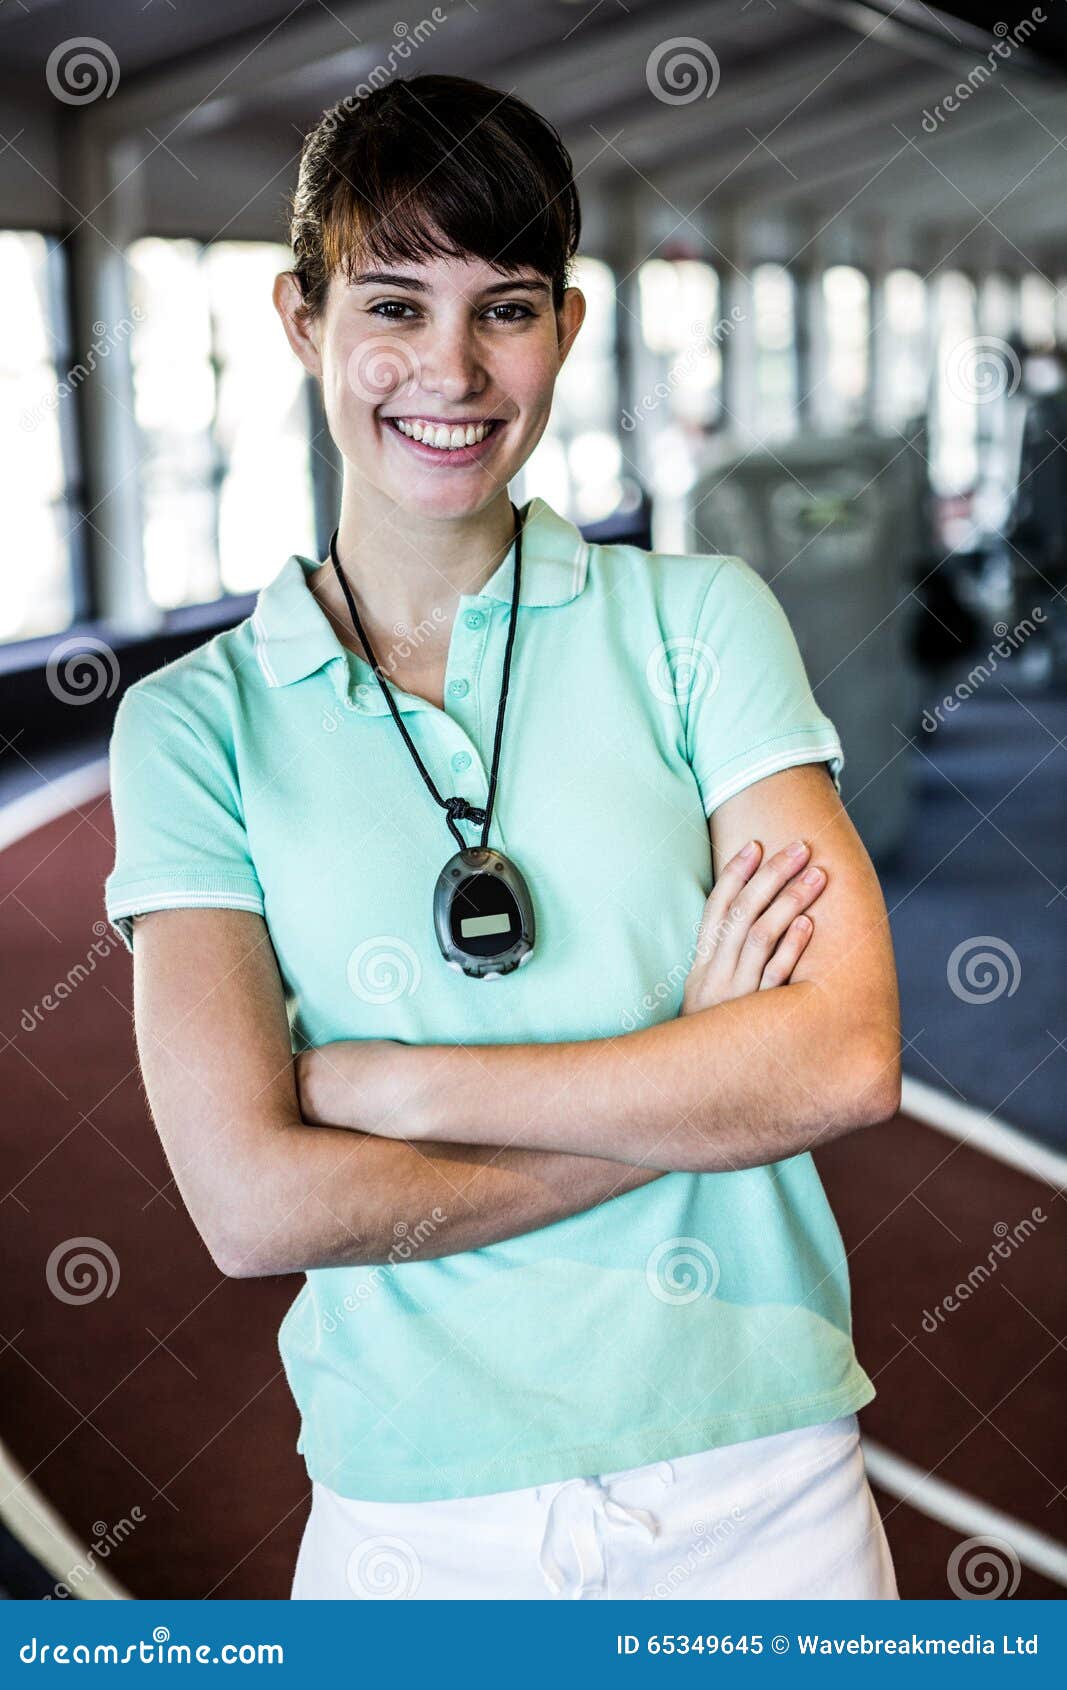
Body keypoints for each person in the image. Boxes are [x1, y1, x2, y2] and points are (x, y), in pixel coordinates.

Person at [103, 73, 901, 1601]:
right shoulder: (194, 727)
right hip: (417, 1523)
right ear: (300, 321)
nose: (452, 371)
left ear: (568, 329)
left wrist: (407, 1088)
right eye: (394, 306)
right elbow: (255, 1206)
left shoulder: (699, 621)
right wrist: (690, 1078)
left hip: (762, 1485)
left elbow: (844, 1058)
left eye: (507, 309)